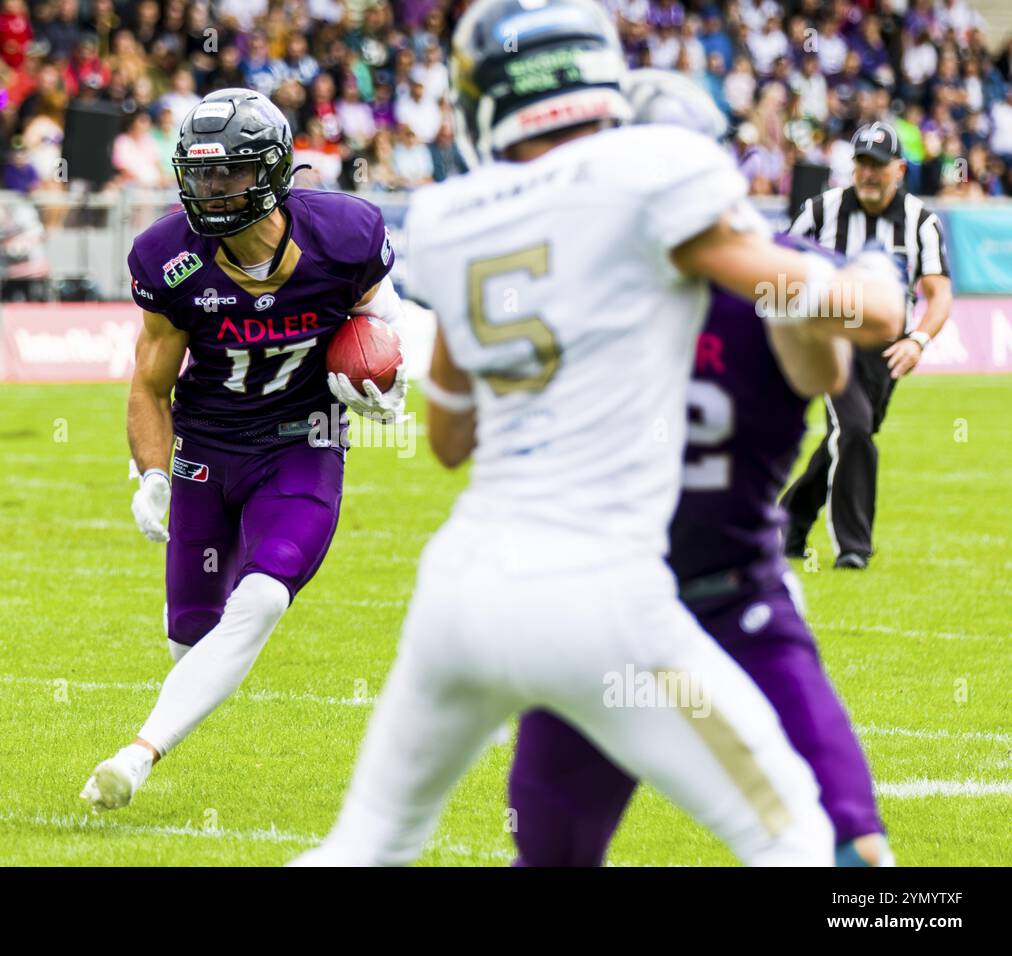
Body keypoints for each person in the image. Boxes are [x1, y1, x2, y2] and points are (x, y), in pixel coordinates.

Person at [293, 0, 904, 867]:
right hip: (599, 592)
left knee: (366, 846)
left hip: (460, 593)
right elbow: (856, 311)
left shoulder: (456, 214)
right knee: (798, 840)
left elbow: (451, 439)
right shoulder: (648, 178)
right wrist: (871, 281)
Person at [509, 69, 892, 869]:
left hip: (730, 604)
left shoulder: (769, 277)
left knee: (851, 852)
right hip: (598, 613)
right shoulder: (568, 286)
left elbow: (841, 346)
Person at [80, 89, 409, 813]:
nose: (211, 189)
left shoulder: (346, 236)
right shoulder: (167, 256)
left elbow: (383, 320)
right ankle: (174, 708)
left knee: (260, 599)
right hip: (207, 448)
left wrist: (390, 378)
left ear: (272, 171)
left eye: (227, 174)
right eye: (199, 175)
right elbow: (149, 383)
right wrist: (153, 475)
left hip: (301, 444)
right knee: (189, 644)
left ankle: (135, 757)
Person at [781, 121, 953, 569]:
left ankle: (786, 525)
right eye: (861, 164)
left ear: (899, 169)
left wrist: (918, 340)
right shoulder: (821, 211)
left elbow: (939, 293)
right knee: (855, 429)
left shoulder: (921, 221)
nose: (869, 174)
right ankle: (854, 548)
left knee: (849, 437)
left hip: (888, 349)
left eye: (878, 165)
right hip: (830, 338)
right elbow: (781, 265)